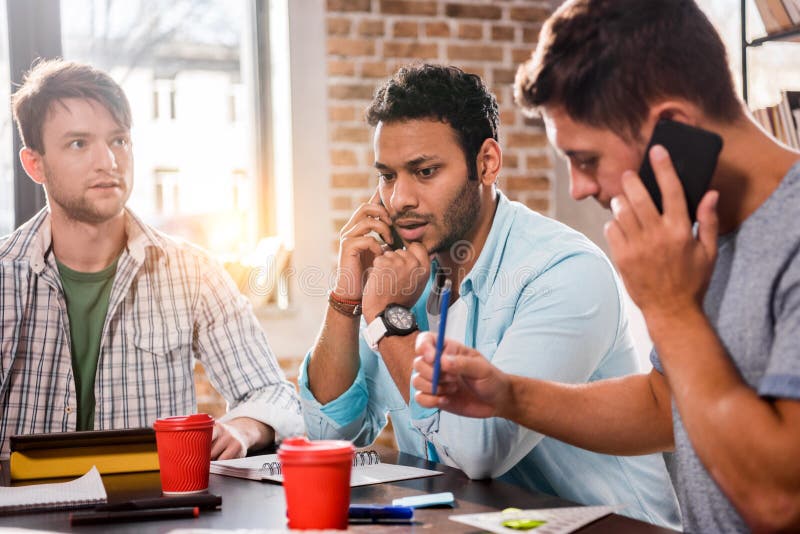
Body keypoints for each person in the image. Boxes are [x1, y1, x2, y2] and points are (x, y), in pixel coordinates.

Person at [412, 1, 800, 532]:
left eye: (587, 159)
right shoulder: (687, 232)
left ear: (673, 130)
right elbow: (670, 404)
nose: (578, 188)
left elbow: (780, 499)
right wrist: (509, 394)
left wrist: (668, 307)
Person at [299, 63, 680, 527]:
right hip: (471, 523)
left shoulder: (564, 272)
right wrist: (347, 297)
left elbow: (478, 453)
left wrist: (386, 319)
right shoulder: (403, 273)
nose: (399, 199)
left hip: (611, 528)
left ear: (487, 162)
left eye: (424, 171)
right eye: (387, 175)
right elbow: (327, 435)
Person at [0, 59, 304, 460]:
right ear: (34, 164)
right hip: (24, 518)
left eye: (119, 141)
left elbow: (273, 392)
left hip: (157, 511)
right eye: (79, 143)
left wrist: (247, 426)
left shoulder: (193, 272)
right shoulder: (5, 277)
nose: (107, 161)